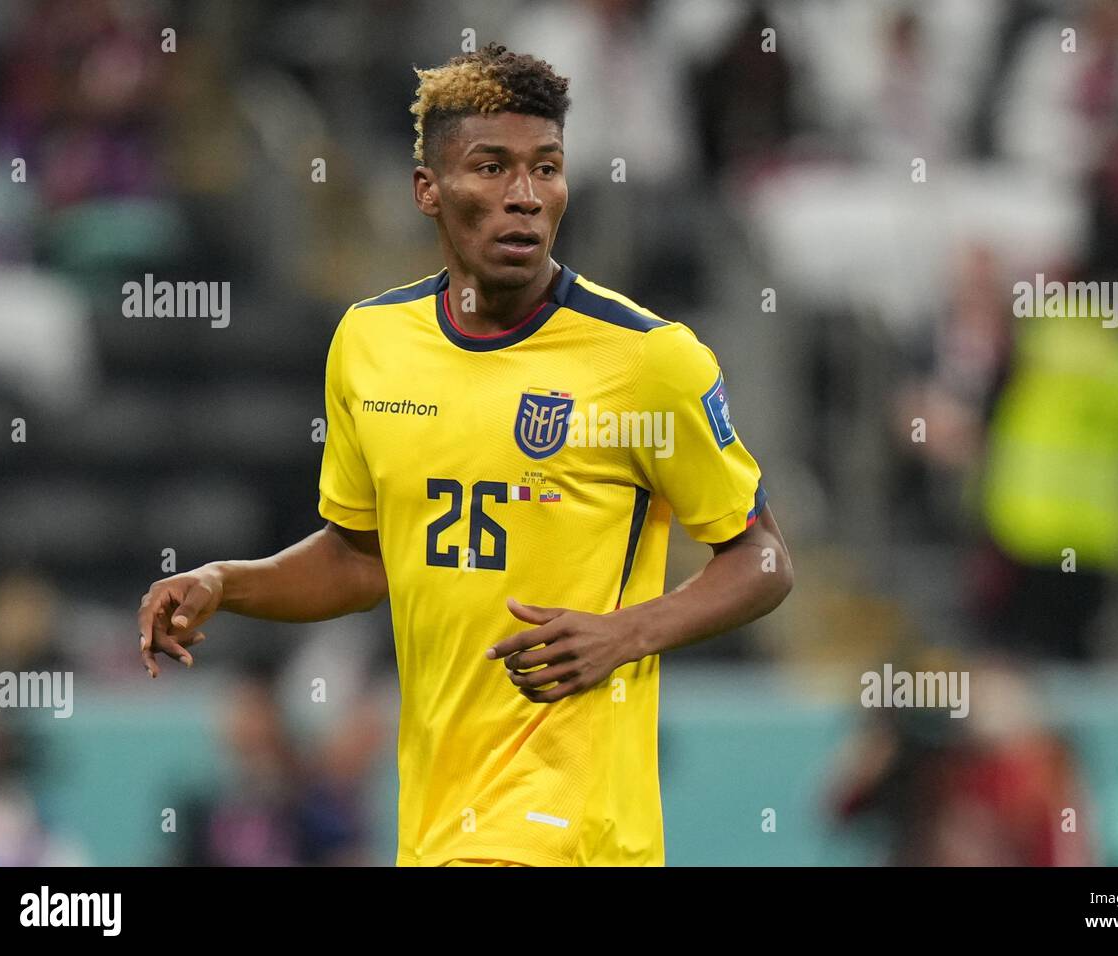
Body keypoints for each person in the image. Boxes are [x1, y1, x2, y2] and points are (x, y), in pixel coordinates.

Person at [135, 44, 792, 867]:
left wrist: (626, 633)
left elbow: (763, 560)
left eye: (545, 168)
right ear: (427, 191)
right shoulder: (371, 345)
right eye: (491, 167)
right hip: (437, 823)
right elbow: (362, 560)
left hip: (569, 826)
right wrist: (229, 582)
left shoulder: (648, 360)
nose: (524, 196)